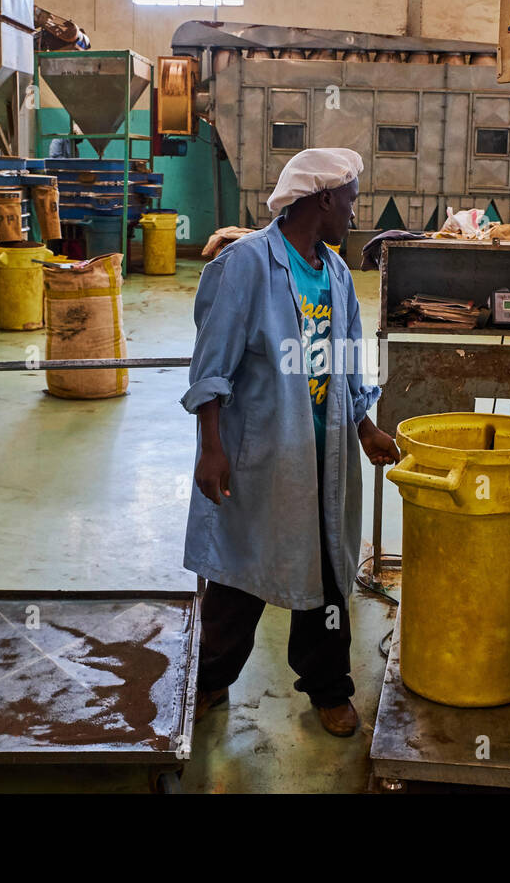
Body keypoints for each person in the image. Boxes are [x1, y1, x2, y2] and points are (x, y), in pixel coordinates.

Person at [180, 148, 399, 737]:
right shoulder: (246, 265)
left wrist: (364, 427)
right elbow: (212, 367)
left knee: (326, 575)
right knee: (241, 575)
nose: (355, 214)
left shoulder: (337, 273)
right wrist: (211, 447)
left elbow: (345, 366)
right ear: (323, 199)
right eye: (350, 201)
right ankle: (209, 681)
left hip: (325, 455)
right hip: (262, 454)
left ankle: (328, 688)